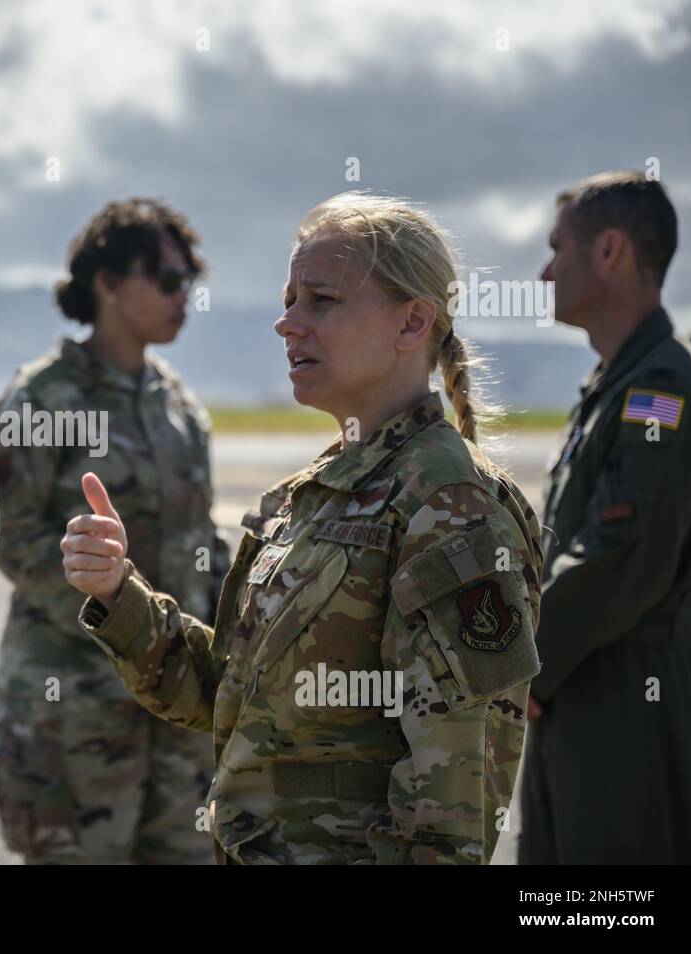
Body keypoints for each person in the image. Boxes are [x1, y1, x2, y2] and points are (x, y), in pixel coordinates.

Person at [62, 192, 543, 864]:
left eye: (320, 300)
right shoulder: (308, 496)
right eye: (289, 300)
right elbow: (221, 693)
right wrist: (119, 593)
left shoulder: (448, 504)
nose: (287, 324)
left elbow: (455, 799)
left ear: (411, 323)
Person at [0, 198, 226, 864]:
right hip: (74, 713)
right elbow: (6, 535)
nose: (185, 298)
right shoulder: (44, 398)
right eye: (169, 281)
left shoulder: (178, 406)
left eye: (190, 283)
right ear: (109, 284)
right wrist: (114, 606)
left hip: (175, 714)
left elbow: (199, 540)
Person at [519, 171, 691, 864]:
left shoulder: (661, 386)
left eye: (557, 248)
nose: (544, 271)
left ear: (609, 252)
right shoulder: (616, 383)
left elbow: (622, 550)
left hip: (629, 702)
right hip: (582, 681)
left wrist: (525, 664)